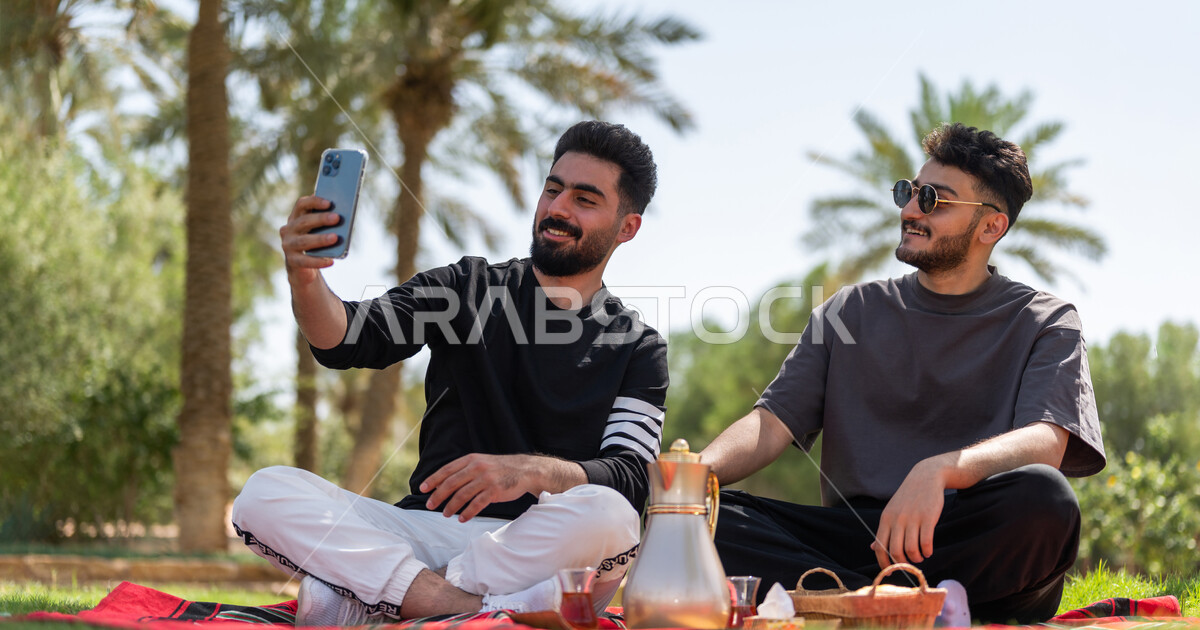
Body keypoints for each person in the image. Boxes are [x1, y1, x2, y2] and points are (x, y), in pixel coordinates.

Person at [231, 121, 668, 625]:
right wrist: (304, 277)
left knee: (611, 516)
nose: (557, 208)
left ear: (626, 227)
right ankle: (464, 610)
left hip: (539, 549)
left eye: (585, 199)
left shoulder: (638, 346)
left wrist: (529, 471)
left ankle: (375, 596)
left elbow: (632, 478)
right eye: (553, 189)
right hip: (422, 531)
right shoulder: (466, 286)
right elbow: (348, 338)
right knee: (265, 492)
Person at [700, 123, 1105, 624]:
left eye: (935, 199)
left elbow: (1047, 441)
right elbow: (771, 424)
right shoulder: (849, 311)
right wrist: (693, 473)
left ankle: (838, 597)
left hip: (970, 534)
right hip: (857, 538)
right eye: (909, 192)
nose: (911, 210)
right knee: (706, 517)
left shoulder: (1046, 319)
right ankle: (900, 604)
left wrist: (938, 471)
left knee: (1046, 500)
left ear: (990, 227)